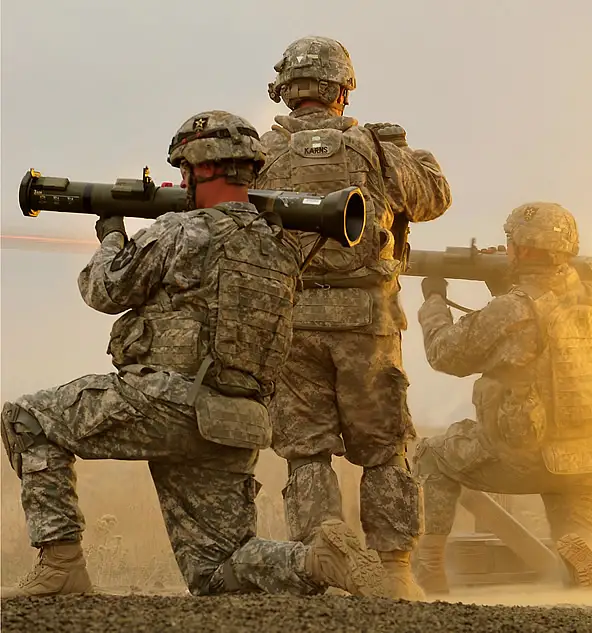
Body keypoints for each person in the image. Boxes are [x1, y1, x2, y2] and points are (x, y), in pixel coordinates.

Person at [0, 110, 386, 599]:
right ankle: (316, 560)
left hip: (166, 403)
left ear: (202, 168)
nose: (181, 181)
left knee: (28, 418)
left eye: (185, 170)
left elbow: (104, 290)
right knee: (218, 570)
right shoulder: (281, 247)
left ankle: (61, 566)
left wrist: (112, 235)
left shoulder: (182, 231)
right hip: (235, 421)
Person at [253, 35, 452, 600]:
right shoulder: (378, 149)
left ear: (286, 90)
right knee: (384, 448)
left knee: (306, 450)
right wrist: (401, 150)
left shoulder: (259, 154)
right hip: (368, 323)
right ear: (342, 88)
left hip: (293, 320)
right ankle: (393, 571)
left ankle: (324, 558)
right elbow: (435, 198)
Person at [412, 202, 592, 595]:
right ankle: (584, 555)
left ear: (522, 249)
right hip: (591, 462)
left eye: (510, 241)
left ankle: (430, 569)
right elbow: (539, 334)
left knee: (432, 456)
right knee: (576, 538)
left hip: (527, 456)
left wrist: (434, 298)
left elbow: (444, 354)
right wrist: (504, 285)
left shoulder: (511, 309)